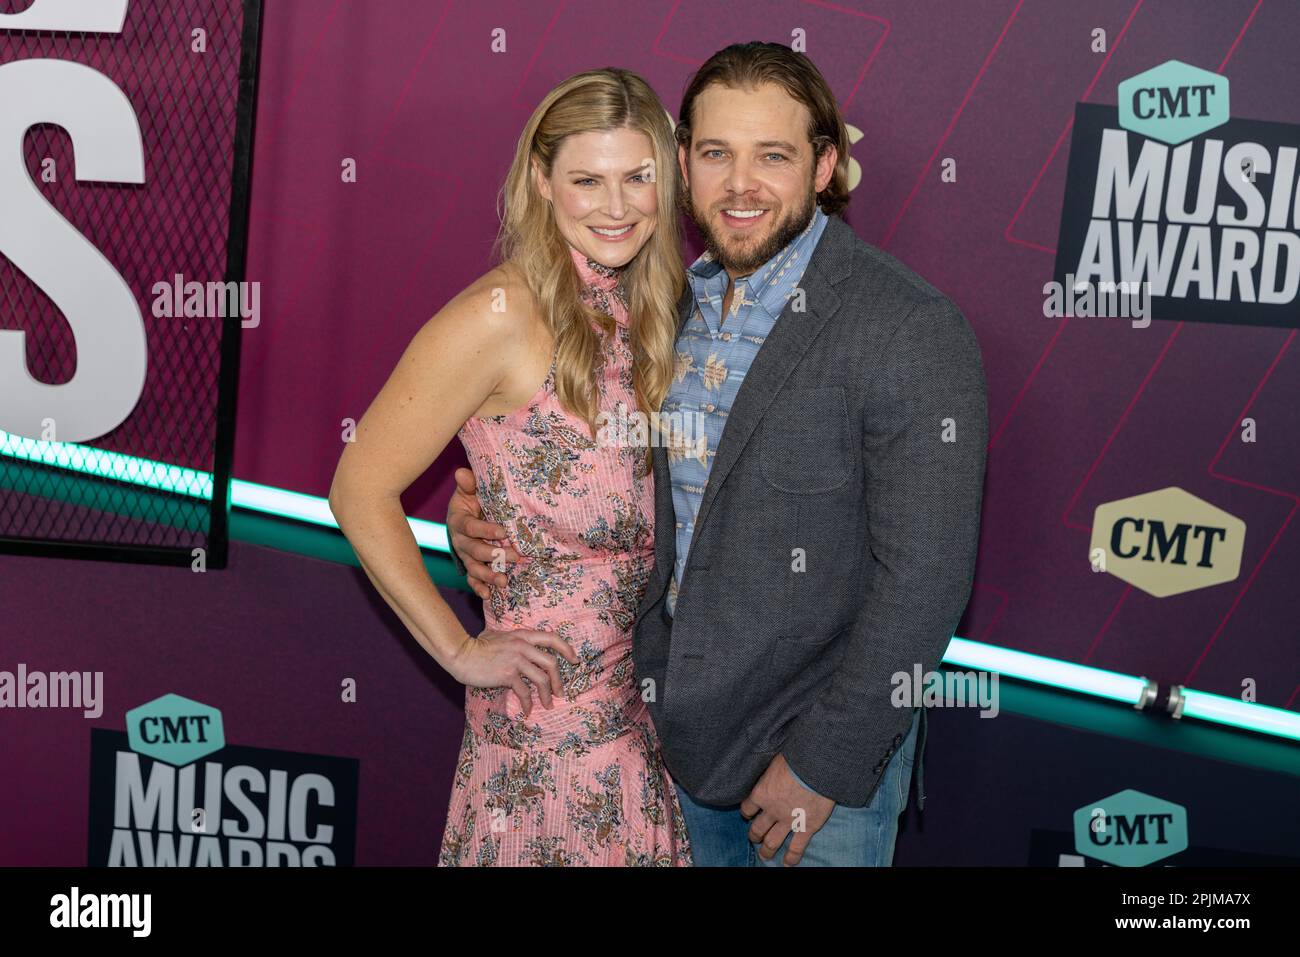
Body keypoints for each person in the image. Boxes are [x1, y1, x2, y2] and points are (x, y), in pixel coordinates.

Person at [451, 42, 988, 867]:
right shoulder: (659, 307)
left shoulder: (907, 327)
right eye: (715, 154)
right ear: (683, 167)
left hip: (819, 778)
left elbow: (927, 581)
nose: (741, 184)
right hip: (670, 746)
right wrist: (484, 511)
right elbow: (584, 468)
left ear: (826, 168)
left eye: (773, 155)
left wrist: (822, 766)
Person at [329, 68, 692, 866]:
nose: (617, 204)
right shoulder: (499, 316)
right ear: (541, 182)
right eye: (587, 180)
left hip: (627, 722)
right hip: (542, 732)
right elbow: (358, 487)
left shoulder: (649, 309)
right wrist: (460, 651)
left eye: (639, 177)